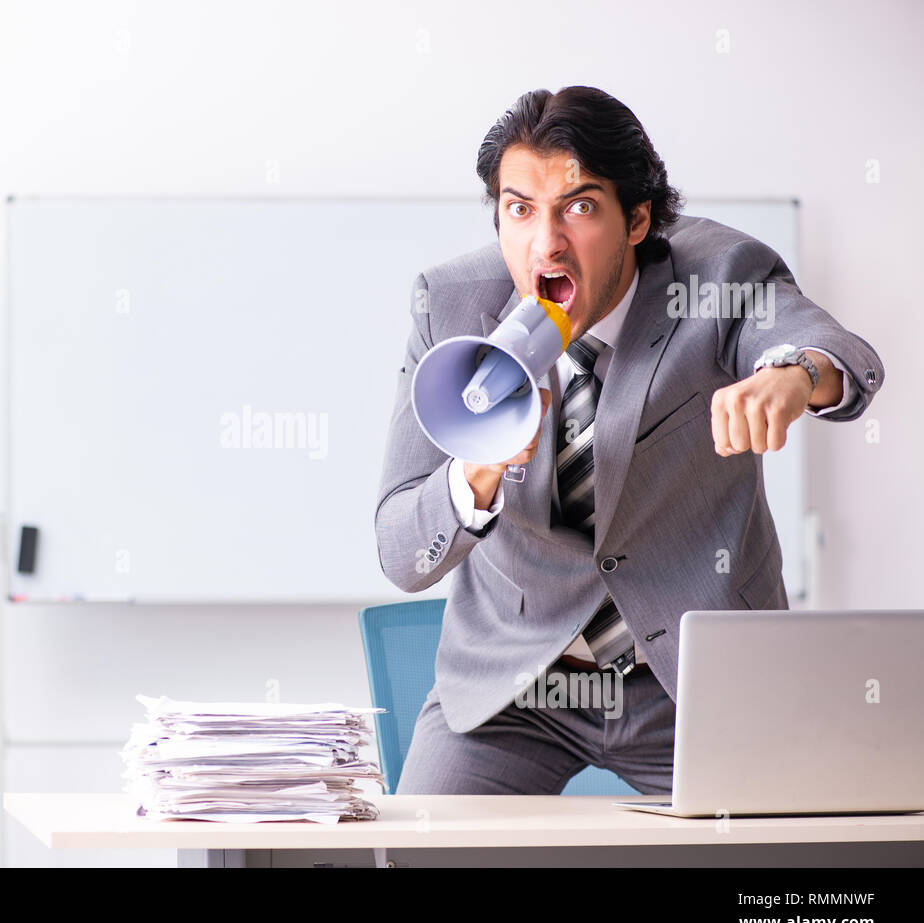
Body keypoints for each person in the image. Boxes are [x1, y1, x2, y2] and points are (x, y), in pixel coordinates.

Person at [374, 86, 885, 795]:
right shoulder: (451, 305)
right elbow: (401, 550)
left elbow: (835, 351)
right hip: (516, 694)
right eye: (519, 209)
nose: (545, 242)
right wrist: (473, 476)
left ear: (637, 217)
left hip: (692, 685)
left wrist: (795, 375)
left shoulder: (718, 276)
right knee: (418, 851)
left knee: (783, 876)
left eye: (578, 207)